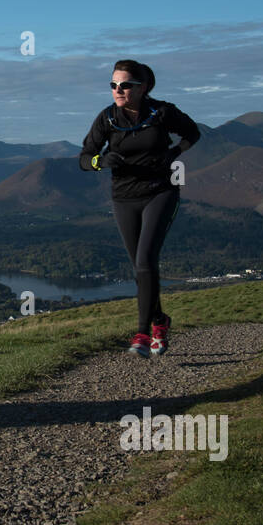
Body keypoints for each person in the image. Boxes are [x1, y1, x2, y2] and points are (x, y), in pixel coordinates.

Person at [79, 59, 200, 357]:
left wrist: (174, 152)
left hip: (160, 192)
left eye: (125, 85)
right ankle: (160, 321)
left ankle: (143, 335)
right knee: (140, 269)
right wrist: (100, 162)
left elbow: (192, 133)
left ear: (143, 87)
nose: (118, 90)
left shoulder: (162, 112)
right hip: (124, 198)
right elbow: (84, 158)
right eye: (113, 85)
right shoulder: (107, 119)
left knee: (146, 261)